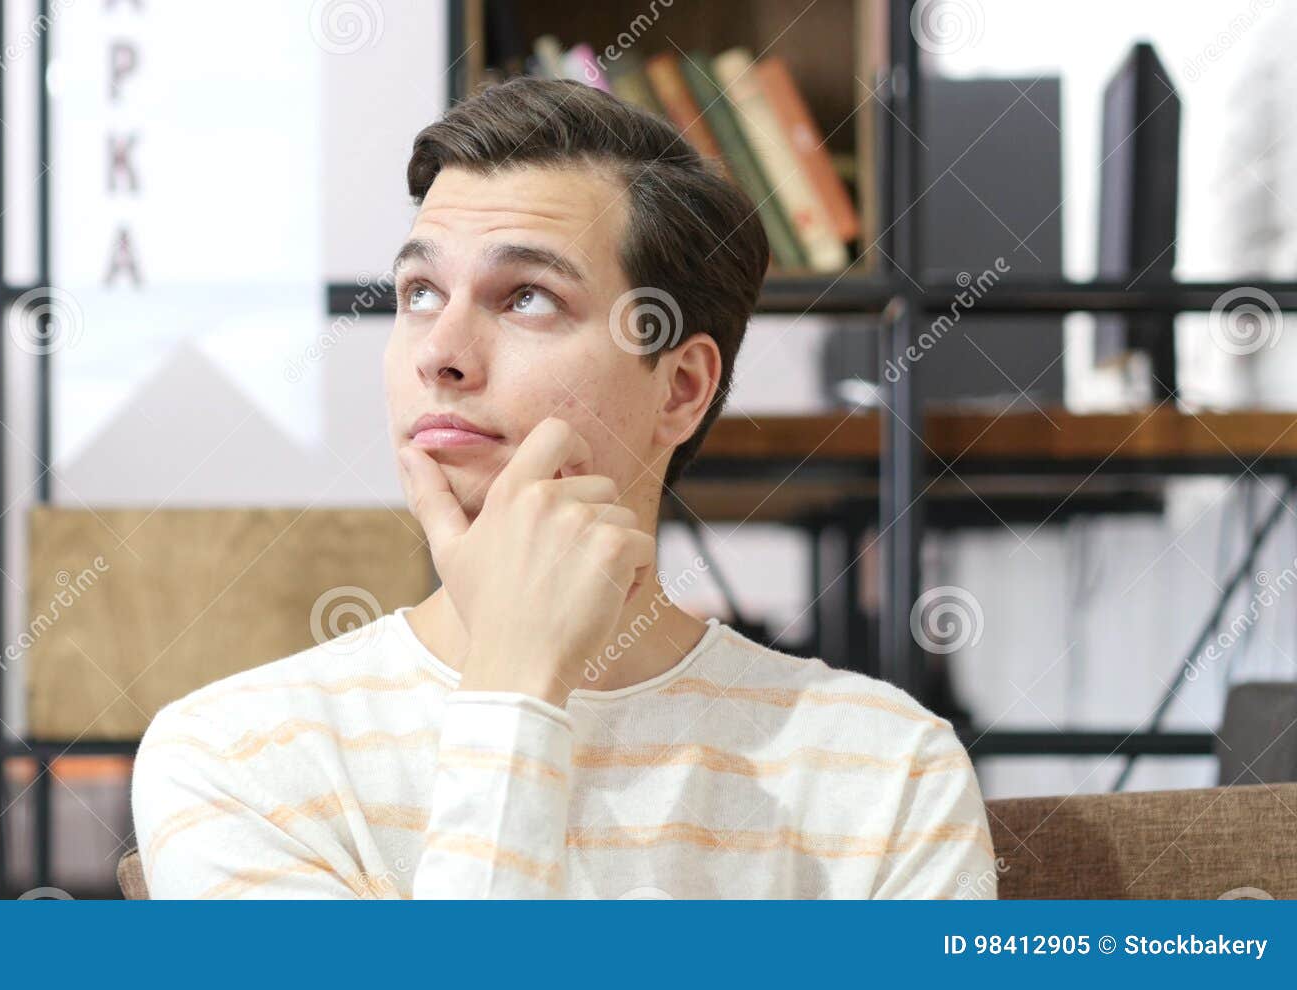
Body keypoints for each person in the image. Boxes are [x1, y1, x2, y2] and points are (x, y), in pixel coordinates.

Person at [131, 76, 996, 899]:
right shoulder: (234, 755)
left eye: (528, 299)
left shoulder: (886, 773)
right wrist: (515, 687)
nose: (441, 350)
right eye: (421, 291)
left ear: (681, 388)